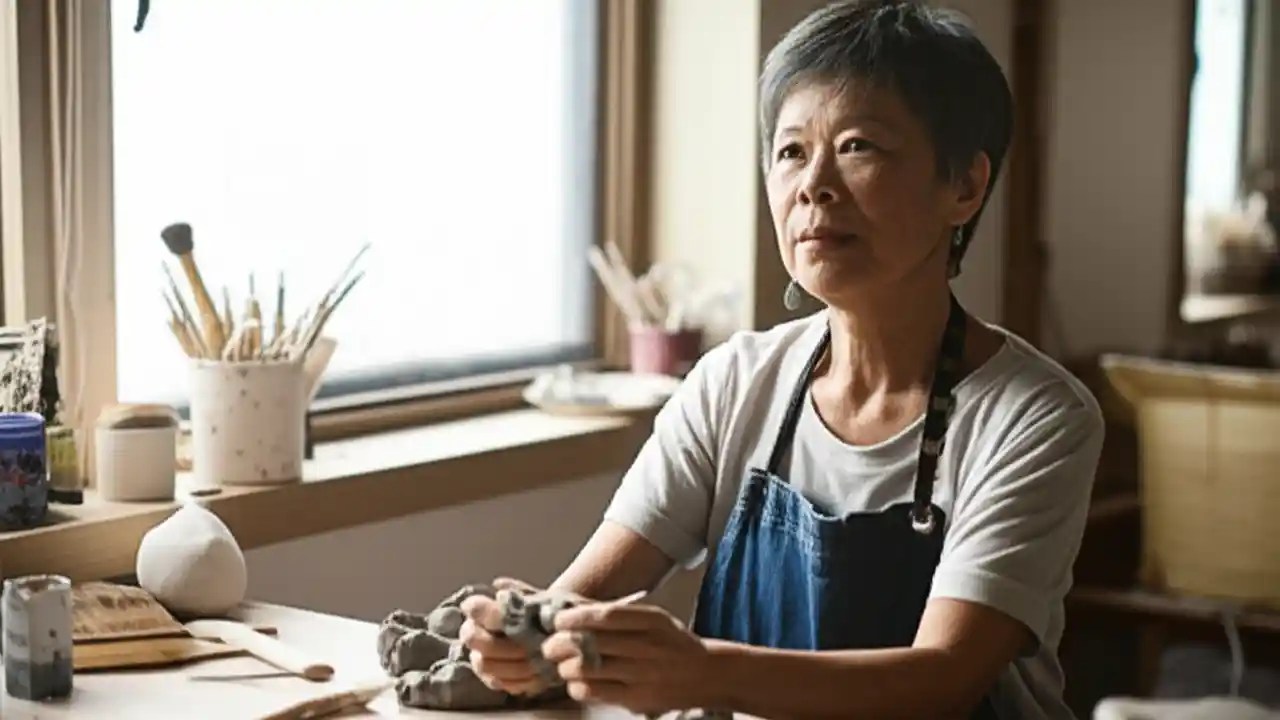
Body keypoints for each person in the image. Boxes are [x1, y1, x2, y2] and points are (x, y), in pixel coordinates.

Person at [460, 1, 1104, 718]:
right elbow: (584, 594)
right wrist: (528, 636)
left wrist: (707, 673)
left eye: (859, 147)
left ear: (965, 186)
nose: (813, 186)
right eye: (792, 151)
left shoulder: (1037, 417)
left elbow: (942, 679)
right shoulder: (734, 382)